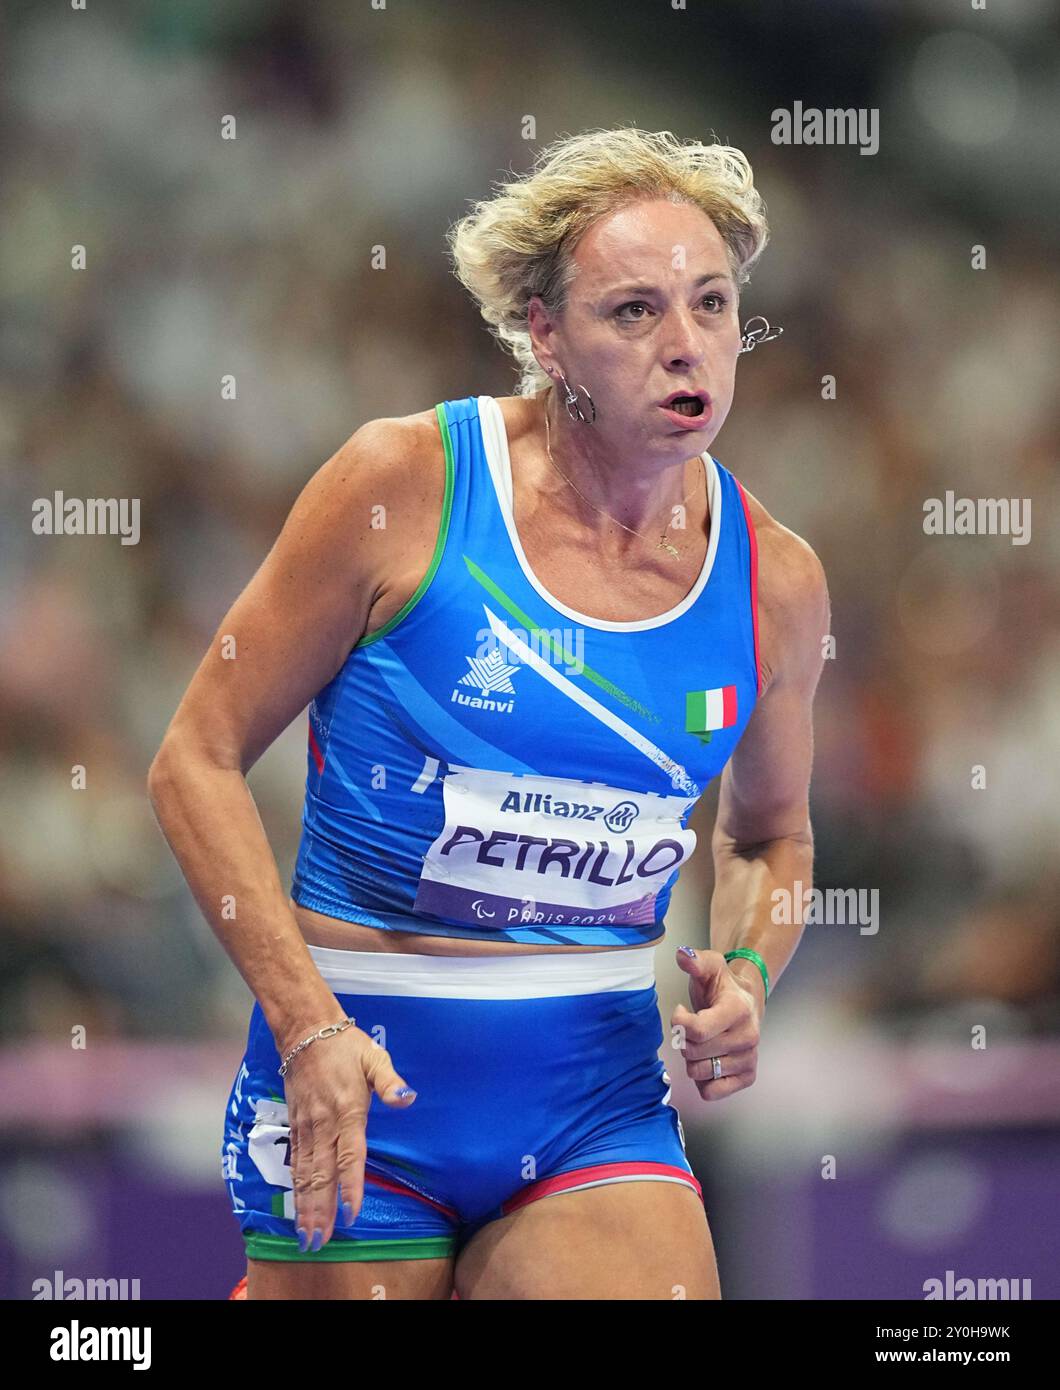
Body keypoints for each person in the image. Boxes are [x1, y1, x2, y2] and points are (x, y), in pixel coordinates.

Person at [149, 126, 829, 1300]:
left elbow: (768, 835)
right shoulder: (403, 487)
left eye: (713, 304)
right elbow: (194, 760)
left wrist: (751, 972)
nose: (687, 347)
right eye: (633, 312)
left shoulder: (775, 578)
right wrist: (306, 1028)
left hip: (593, 1096)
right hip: (366, 1071)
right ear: (543, 332)